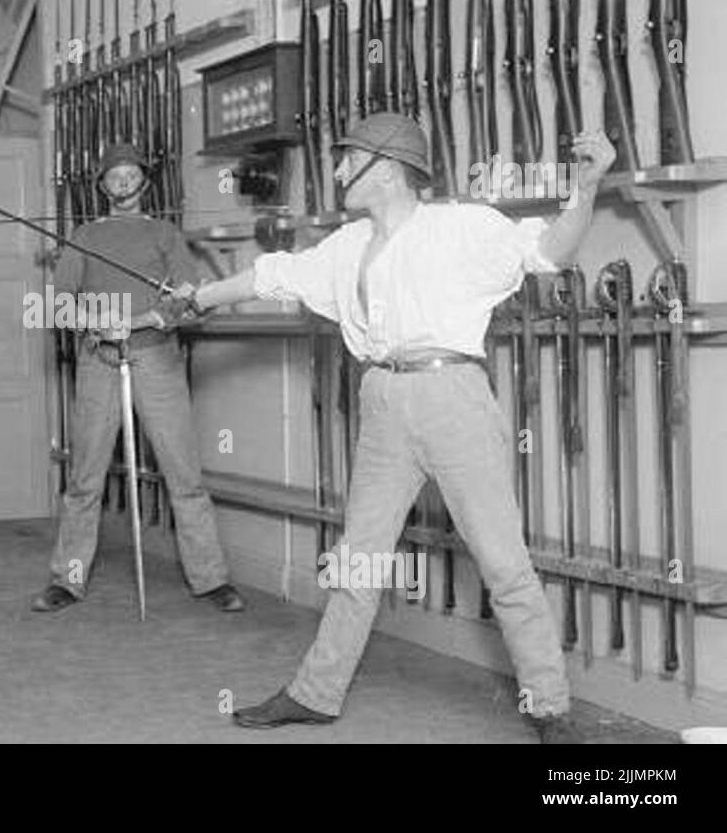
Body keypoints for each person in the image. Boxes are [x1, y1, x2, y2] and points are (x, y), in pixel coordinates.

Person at [168, 113, 614, 742]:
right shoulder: (346, 246)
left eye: (349, 160)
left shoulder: (461, 226)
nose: (340, 170)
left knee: (503, 563)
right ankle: (316, 694)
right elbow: (273, 275)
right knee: (358, 559)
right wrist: (197, 299)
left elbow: (546, 252)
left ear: (386, 167)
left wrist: (587, 188)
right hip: (381, 398)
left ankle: (549, 708)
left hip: (451, 394)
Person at [31, 141, 244, 614]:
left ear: (144, 182)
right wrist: (96, 321)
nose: (122, 181)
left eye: (131, 174)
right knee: (85, 477)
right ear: (102, 185)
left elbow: (188, 300)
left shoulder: (165, 233)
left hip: (157, 358)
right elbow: (56, 303)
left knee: (184, 474)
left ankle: (211, 580)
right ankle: (66, 579)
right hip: (99, 360)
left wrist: (140, 322)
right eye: (113, 175)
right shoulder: (85, 235)